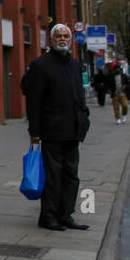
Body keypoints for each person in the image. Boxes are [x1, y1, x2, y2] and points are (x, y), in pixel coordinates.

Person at [22, 23, 91, 232]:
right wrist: (34, 132)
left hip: (73, 130)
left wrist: (84, 118)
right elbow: (34, 101)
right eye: (58, 35)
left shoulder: (75, 65)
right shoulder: (41, 65)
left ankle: (65, 214)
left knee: (72, 175)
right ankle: (48, 216)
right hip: (51, 131)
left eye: (66, 35)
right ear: (51, 40)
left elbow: (79, 96)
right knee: (53, 176)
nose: (62, 38)